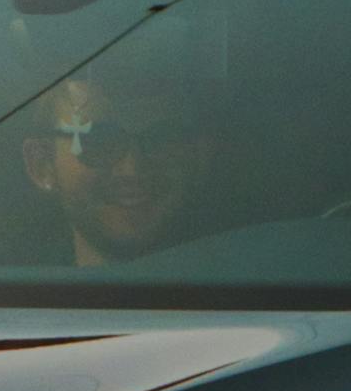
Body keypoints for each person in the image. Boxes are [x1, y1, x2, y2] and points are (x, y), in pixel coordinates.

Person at [21, 57, 213, 265]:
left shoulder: (245, 283)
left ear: (201, 154)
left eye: (160, 138)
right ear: (42, 165)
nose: (132, 169)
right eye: (100, 142)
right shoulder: (8, 293)